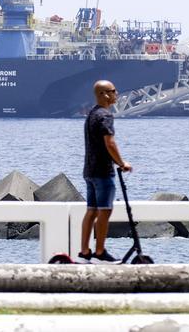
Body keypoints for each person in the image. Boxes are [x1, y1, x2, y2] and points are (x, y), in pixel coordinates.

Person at [79, 80, 133, 263]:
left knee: (91, 211)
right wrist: (122, 163)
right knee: (104, 212)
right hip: (102, 171)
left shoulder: (91, 115)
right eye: (113, 91)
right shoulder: (105, 116)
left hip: (89, 171)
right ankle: (100, 252)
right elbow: (109, 143)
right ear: (104, 94)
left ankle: (85, 251)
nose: (116, 94)